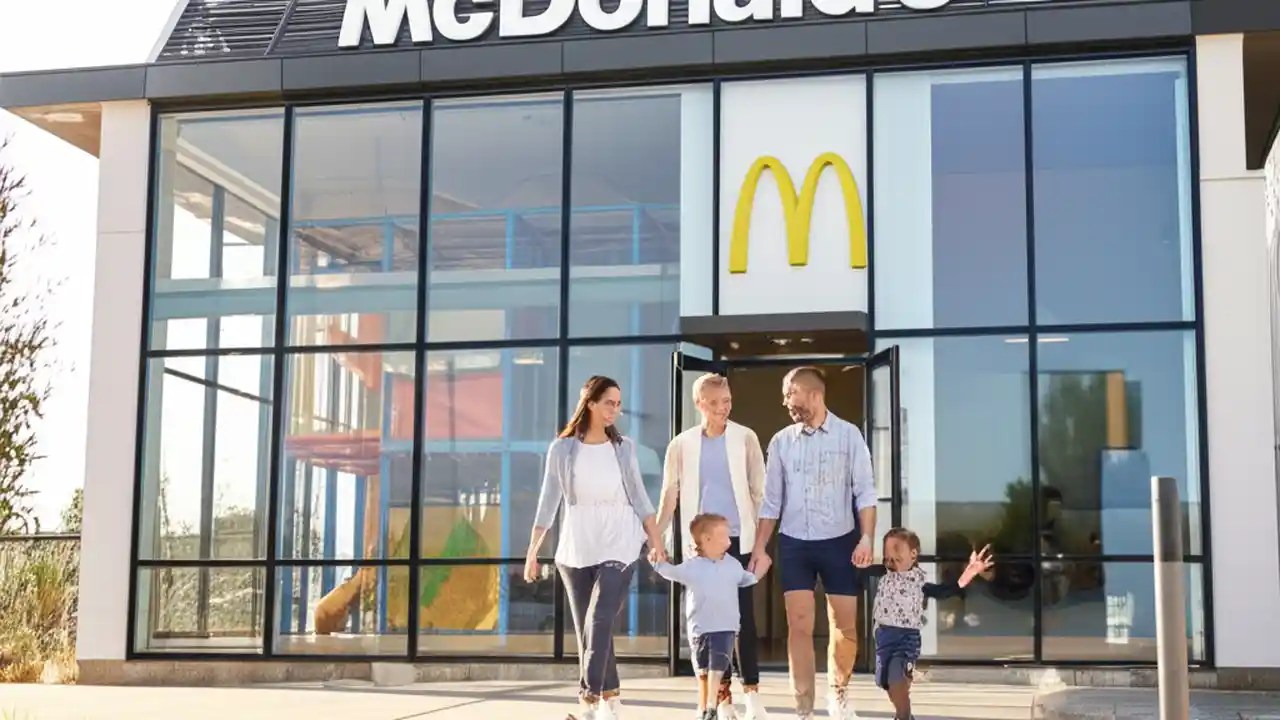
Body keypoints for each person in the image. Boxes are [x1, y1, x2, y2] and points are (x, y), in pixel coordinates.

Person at [524, 375, 667, 720]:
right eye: (609, 403)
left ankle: (587, 703)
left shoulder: (624, 447)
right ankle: (612, 701)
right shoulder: (562, 449)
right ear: (590, 403)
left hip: (619, 538)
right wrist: (532, 552)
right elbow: (548, 503)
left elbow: (639, 496)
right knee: (587, 627)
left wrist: (655, 538)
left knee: (600, 618)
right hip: (577, 544)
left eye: (618, 404)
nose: (614, 410)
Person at [748, 366, 877, 720]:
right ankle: (803, 707)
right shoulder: (780, 442)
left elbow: (865, 492)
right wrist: (761, 547)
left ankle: (839, 693)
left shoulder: (850, 436)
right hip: (794, 544)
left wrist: (867, 538)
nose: (785, 401)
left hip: (841, 542)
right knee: (799, 625)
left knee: (844, 626)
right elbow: (771, 501)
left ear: (812, 393)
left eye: (790, 393)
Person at [657, 372, 768, 720]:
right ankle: (722, 699)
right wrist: (657, 536)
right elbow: (669, 494)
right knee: (709, 622)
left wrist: (762, 545)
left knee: (742, 620)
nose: (723, 408)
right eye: (716, 402)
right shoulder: (682, 444)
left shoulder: (745, 438)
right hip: (701, 546)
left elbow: (761, 494)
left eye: (728, 401)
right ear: (699, 404)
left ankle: (752, 694)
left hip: (739, 540)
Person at [864, 529, 994, 720]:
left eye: (897, 553)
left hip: (906, 638)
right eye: (887, 555)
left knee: (896, 677)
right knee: (885, 681)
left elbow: (946, 590)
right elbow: (859, 569)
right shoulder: (883, 576)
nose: (891, 559)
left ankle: (903, 716)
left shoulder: (918, 583)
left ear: (913, 554)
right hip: (883, 637)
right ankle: (905, 714)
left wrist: (971, 571)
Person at [651, 513, 761, 720]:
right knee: (703, 670)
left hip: (726, 628)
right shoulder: (692, 567)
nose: (729, 541)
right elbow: (671, 572)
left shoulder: (732, 565)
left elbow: (747, 579)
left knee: (717, 666)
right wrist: (657, 563)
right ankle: (705, 707)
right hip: (700, 629)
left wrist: (760, 569)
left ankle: (711, 706)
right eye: (724, 537)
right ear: (706, 540)